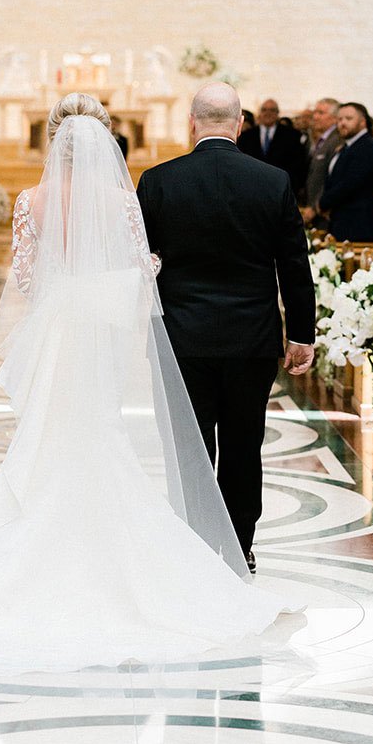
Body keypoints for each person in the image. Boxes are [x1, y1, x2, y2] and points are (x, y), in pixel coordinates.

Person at [0, 92, 305, 682]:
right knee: (185, 438)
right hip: (168, 334)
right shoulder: (137, 197)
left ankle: (118, 535)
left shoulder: (47, 198)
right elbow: (146, 266)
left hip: (67, 333)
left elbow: (26, 276)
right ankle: (228, 547)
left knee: (58, 437)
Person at [139, 82, 316, 570]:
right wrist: (301, 334)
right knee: (244, 444)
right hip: (250, 338)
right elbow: (293, 265)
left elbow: (140, 265)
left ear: (191, 123)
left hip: (181, 338)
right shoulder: (273, 180)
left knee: (190, 445)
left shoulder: (157, 181)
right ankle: (239, 546)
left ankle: (195, 545)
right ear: (240, 124)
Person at [318, 101, 373, 242]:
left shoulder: (367, 147)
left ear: (362, 122)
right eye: (340, 119)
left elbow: (350, 184)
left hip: (359, 227)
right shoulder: (348, 146)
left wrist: (323, 202)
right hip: (344, 224)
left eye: (348, 119)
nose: (342, 123)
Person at [238, 97, 309, 199]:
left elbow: (298, 166)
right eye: (264, 110)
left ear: (278, 113)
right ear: (259, 113)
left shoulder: (292, 136)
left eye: (272, 110)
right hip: (251, 192)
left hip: (281, 192)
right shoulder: (246, 136)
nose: (268, 113)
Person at [301, 97, 341, 223]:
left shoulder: (337, 140)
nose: (315, 117)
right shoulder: (324, 139)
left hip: (323, 211)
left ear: (335, 118)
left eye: (321, 113)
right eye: (315, 112)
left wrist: (316, 206)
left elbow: (332, 177)